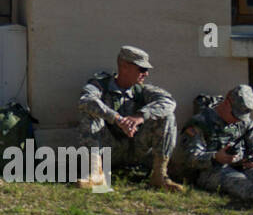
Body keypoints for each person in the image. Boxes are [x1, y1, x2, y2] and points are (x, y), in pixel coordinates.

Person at [75, 45, 184, 192]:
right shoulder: (101, 85)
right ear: (125, 67)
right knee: (89, 112)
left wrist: (139, 117)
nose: (146, 74)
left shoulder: (141, 90)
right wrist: (117, 119)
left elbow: (169, 102)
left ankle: (159, 175)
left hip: (136, 147)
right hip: (109, 149)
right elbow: (86, 100)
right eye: (142, 69)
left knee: (167, 115)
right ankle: (95, 173)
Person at [176, 85, 253, 208]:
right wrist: (215, 157)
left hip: (243, 166)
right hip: (213, 171)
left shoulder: (245, 122)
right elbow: (191, 158)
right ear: (227, 102)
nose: (238, 120)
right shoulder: (200, 122)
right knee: (236, 180)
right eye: (235, 115)